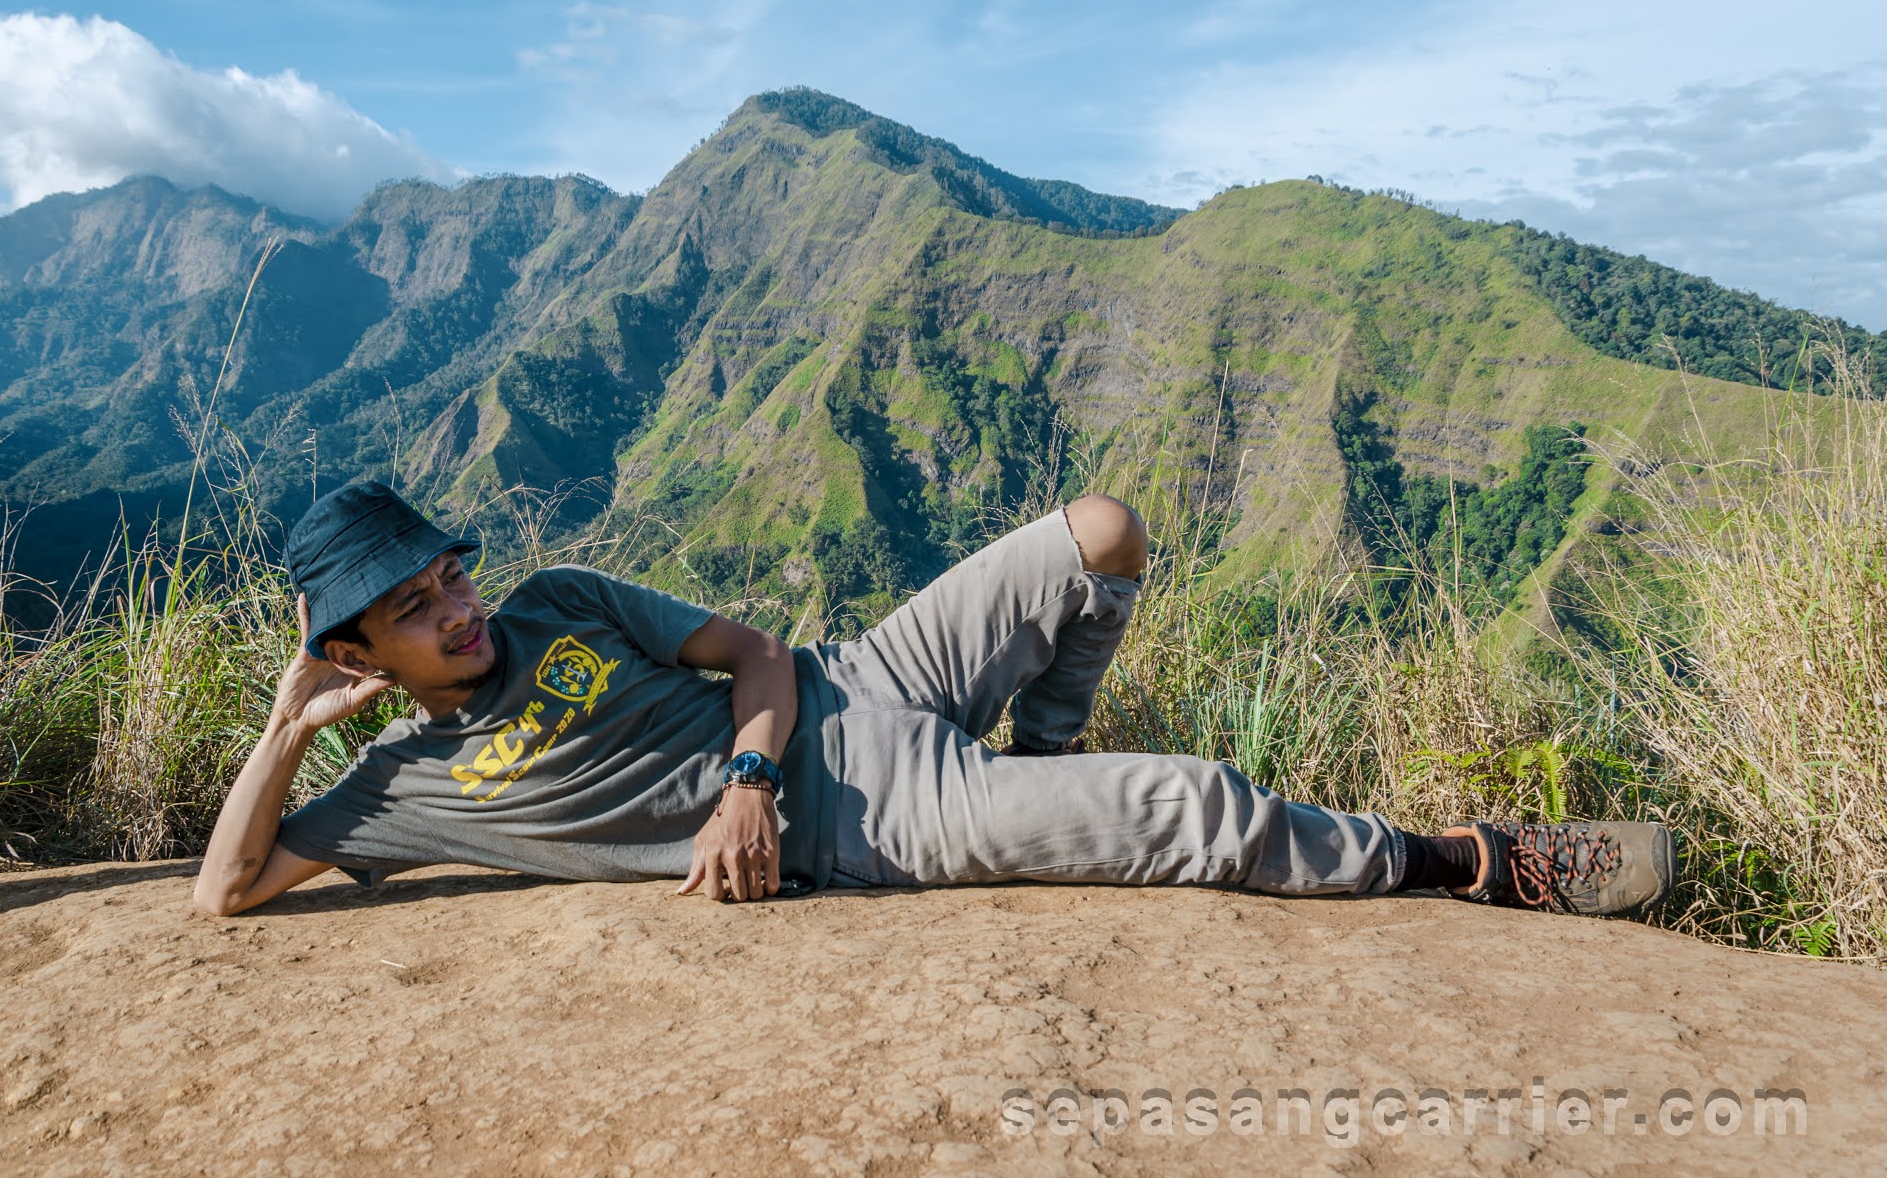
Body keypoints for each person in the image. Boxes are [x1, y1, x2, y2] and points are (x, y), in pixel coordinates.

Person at [193, 481, 1676, 919]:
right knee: (1198, 809)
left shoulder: (560, 599)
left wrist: (745, 782)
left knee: (1100, 537)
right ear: (355, 658)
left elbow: (761, 655)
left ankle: (1046, 754)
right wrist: (278, 735)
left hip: (853, 683)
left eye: (446, 577)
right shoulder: (399, 792)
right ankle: (1475, 863)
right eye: (412, 611)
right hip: (874, 811)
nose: (457, 610)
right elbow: (226, 894)